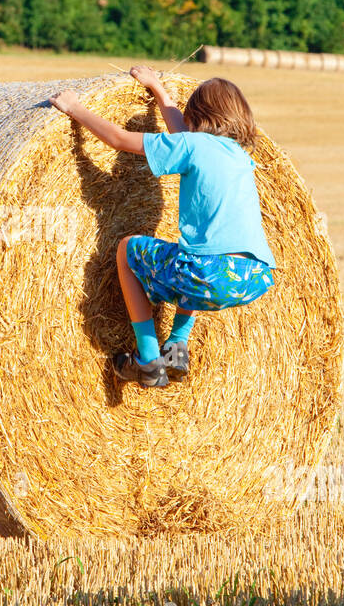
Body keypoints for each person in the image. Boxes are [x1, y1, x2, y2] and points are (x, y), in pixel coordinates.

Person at [49, 66, 276, 387]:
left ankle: (147, 357)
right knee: (194, 261)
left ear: (197, 116)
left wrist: (75, 108)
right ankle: (177, 347)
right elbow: (183, 134)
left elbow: (119, 139)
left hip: (209, 272)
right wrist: (158, 89)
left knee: (130, 250)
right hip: (255, 277)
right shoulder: (239, 155)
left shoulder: (194, 145)